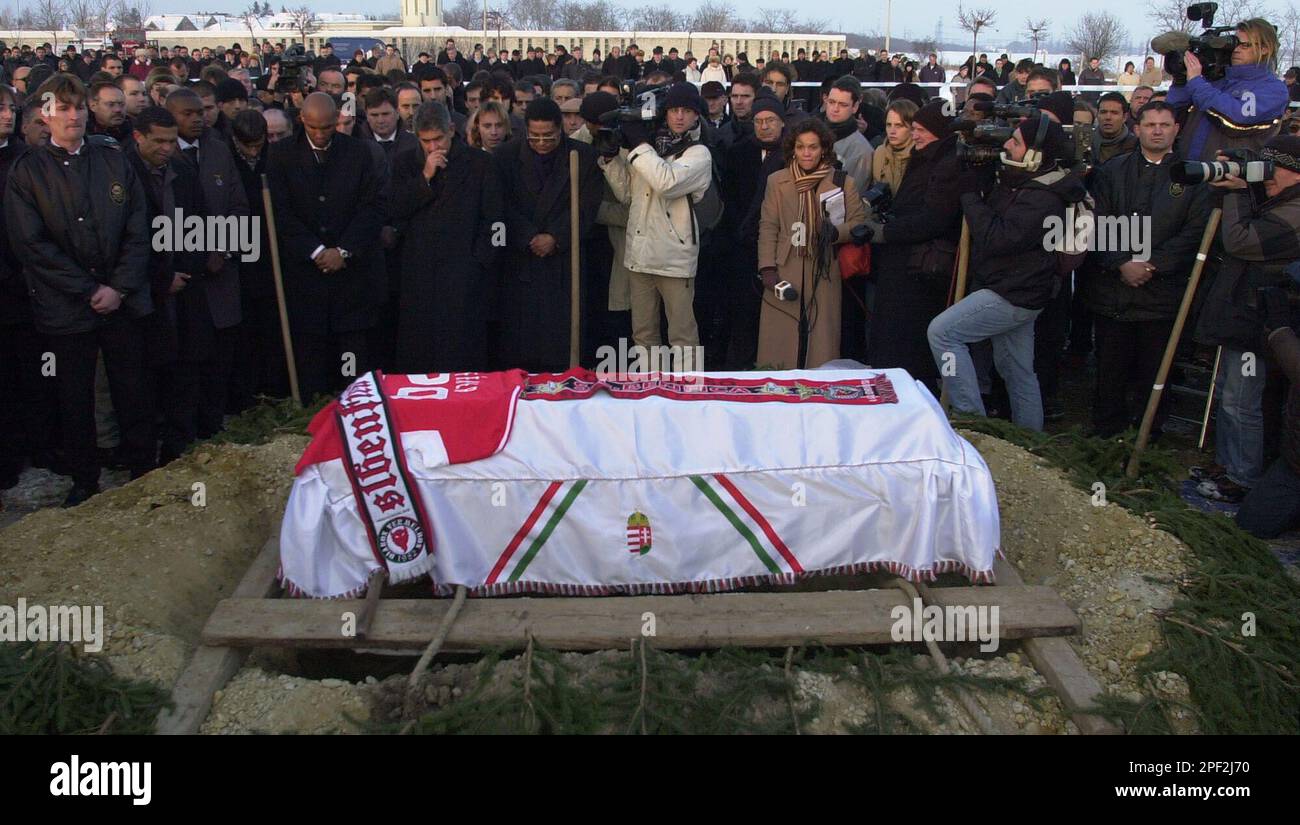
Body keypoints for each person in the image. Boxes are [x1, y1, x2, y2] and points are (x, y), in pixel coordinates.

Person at [5, 74, 155, 505]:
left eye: (78, 108)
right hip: (66, 308)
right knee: (75, 396)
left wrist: (119, 288)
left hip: (121, 302)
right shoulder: (27, 171)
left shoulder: (113, 159)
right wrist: (89, 289)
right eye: (62, 108)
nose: (72, 116)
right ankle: (85, 479)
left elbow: (137, 226)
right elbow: (31, 245)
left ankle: (143, 467)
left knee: (132, 386)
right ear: (44, 115)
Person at [927, 114, 1086, 430]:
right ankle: (1031, 442)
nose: (1007, 146)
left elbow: (997, 238)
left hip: (1012, 293)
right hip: (1020, 289)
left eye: (1015, 142)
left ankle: (972, 420)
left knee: (943, 332)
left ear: (1035, 155)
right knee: (1016, 369)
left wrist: (970, 195)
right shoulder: (1028, 181)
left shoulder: (1045, 197)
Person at [1080, 101, 1212, 438]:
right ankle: (1106, 436)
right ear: (1137, 128)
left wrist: (1152, 266)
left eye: (1164, 125)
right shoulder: (1112, 171)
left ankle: (1146, 439)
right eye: (1149, 124)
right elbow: (1098, 221)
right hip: (1113, 291)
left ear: (1175, 129)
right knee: (1109, 370)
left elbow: (1194, 232)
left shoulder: (1194, 176)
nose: (1156, 130)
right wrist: (1122, 262)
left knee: (1154, 373)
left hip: (1161, 297)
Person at [1192, 135, 1300, 502]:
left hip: (1259, 326)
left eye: (1276, 167)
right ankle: (1226, 464)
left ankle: (1243, 477)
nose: (1267, 174)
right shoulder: (1274, 197)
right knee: (1227, 393)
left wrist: (1238, 191)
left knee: (1242, 401)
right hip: (1240, 316)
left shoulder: (1295, 212)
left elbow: (1240, 240)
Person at [267, 93, 385, 402]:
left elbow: (371, 207)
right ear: (302, 121)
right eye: (314, 128)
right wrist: (317, 251)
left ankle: (354, 406)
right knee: (311, 355)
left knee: (352, 356)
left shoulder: (358, 153)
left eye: (328, 127)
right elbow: (280, 212)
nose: (321, 134)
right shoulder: (281, 155)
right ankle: (312, 412)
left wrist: (343, 251)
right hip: (307, 277)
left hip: (351, 278)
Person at [598, 83, 713, 368]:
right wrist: (611, 160)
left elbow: (667, 183)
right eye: (674, 110)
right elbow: (628, 194)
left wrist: (638, 146)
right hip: (640, 254)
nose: (679, 116)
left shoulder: (699, 153)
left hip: (675, 257)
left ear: (697, 115)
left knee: (682, 334)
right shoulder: (649, 147)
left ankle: (688, 390)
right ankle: (648, 391)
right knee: (643, 334)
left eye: (687, 111)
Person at [390, 101, 503, 373]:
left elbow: (495, 221)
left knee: (461, 351)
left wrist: (478, 262)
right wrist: (425, 177)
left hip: (465, 275)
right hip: (419, 277)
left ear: (451, 130)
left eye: (438, 139)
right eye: (425, 141)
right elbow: (395, 209)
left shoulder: (481, 164)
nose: (432, 147)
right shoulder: (405, 163)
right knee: (420, 353)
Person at [495, 98, 602, 371]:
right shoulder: (506, 157)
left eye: (549, 137)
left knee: (561, 339)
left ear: (561, 131)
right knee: (522, 338)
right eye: (535, 137)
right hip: (522, 261)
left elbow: (588, 207)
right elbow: (500, 205)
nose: (542, 143)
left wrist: (556, 236)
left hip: (564, 262)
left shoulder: (582, 156)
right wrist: (528, 236)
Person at [864, 100, 965, 390]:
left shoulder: (945, 165)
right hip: (906, 263)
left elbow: (932, 218)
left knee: (906, 346)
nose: (915, 135)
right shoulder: (928, 158)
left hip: (918, 270)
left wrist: (886, 231)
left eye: (920, 130)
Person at [756, 119, 867, 369]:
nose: (806, 153)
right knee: (780, 336)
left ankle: (820, 385)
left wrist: (836, 232)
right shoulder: (777, 180)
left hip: (824, 265)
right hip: (785, 263)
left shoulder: (841, 181)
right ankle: (776, 385)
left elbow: (859, 222)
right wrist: (767, 269)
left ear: (824, 149)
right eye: (801, 147)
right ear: (792, 149)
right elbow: (768, 226)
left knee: (822, 335)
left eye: (813, 147)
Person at [1165, 18, 1288, 161]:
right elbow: (1171, 112)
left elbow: (1236, 121)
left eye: (1244, 45)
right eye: (1233, 43)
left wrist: (1197, 83)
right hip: (1189, 170)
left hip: (1232, 177)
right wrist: (1181, 80)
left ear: (1264, 49)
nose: (1236, 49)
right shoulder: (1216, 80)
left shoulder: (1273, 89)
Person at [1093, 92, 1139, 163]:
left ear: (1124, 117)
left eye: (1114, 113)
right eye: (1103, 112)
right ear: (1097, 115)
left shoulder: (1135, 146)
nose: (1108, 117)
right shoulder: (1086, 142)